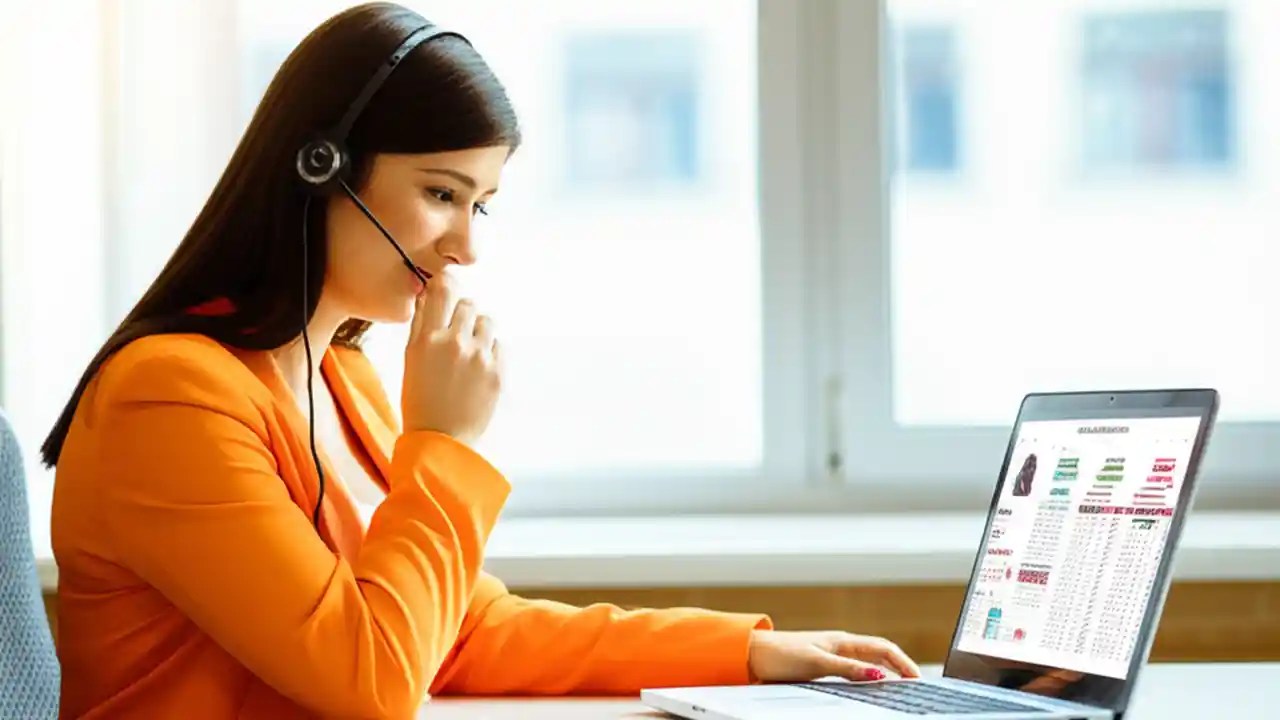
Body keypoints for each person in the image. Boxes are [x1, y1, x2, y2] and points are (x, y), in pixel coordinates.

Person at [42, 3, 919, 717]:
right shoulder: (169, 397)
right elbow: (369, 678)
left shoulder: (339, 375)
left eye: (481, 205)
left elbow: (455, 631)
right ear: (321, 167)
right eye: (439, 194)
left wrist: (745, 651)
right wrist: (442, 443)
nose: (464, 246)